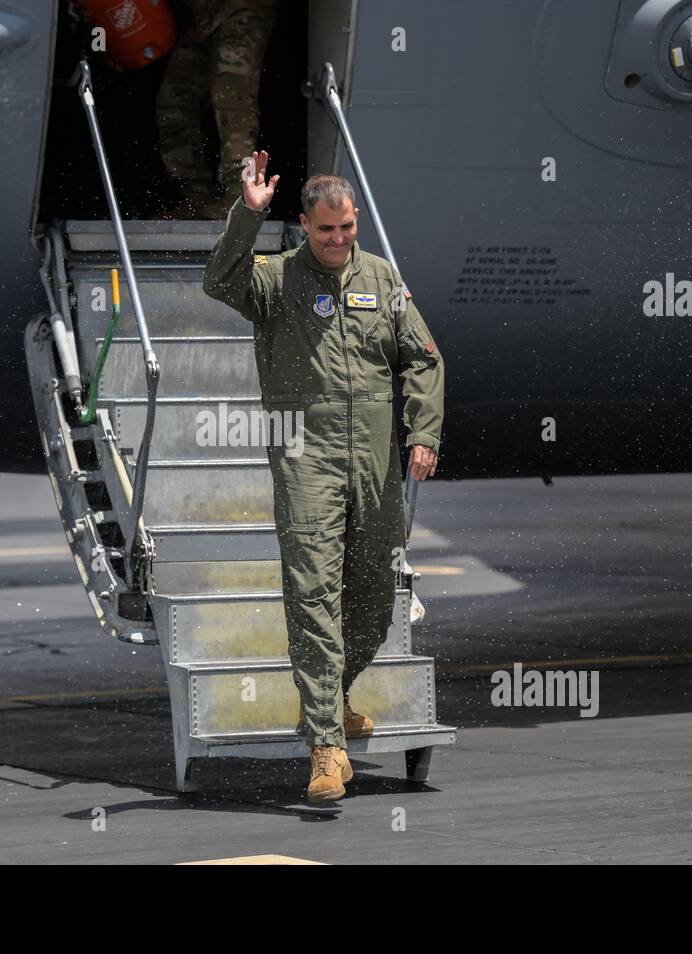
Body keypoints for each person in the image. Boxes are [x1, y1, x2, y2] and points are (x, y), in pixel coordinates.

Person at [203, 151, 445, 804]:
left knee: (373, 593)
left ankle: (332, 700)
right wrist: (246, 216)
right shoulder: (277, 281)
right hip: (305, 459)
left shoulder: (382, 279)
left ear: (355, 222)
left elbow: (422, 357)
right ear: (304, 225)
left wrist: (423, 431)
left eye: (346, 230)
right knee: (314, 592)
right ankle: (326, 749)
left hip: (374, 461)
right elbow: (220, 281)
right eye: (324, 230)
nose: (337, 241)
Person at [156, 0, 279, 218]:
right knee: (175, 100)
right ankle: (196, 196)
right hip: (201, 15)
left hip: (242, 7)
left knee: (232, 96)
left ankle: (240, 194)